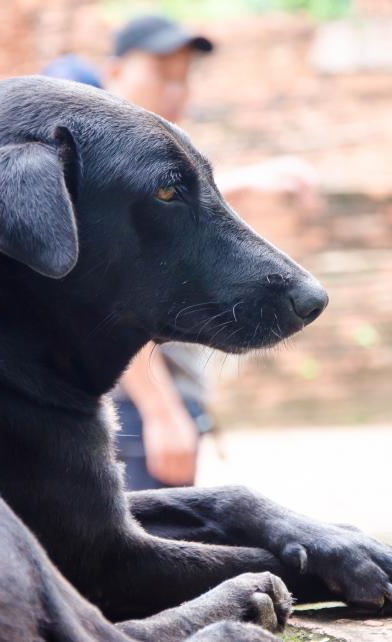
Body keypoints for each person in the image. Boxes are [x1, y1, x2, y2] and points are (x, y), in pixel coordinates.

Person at [43, 16, 319, 490]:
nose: (177, 90)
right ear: (114, 74)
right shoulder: (96, 184)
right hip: (131, 402)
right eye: (162, 74)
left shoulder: (145, 176)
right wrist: (161, 412)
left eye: (184, 77)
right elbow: (104, 297)